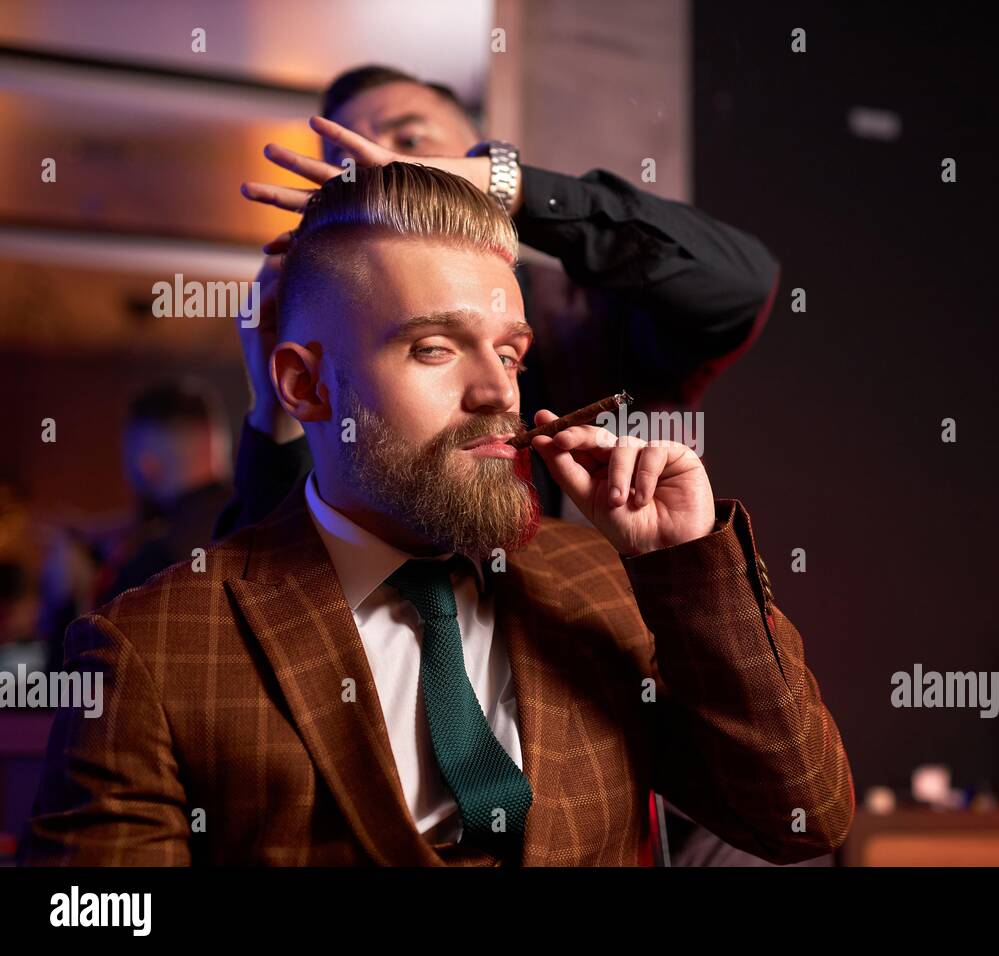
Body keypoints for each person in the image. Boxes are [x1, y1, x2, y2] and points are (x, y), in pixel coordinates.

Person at [21, 164, 852, 866]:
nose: (498, 391)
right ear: (306, 385)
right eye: (434, 349)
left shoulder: (603, 580)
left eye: (511, 352)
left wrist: (685, 565)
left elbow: (800, 815)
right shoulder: (149, 648)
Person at [217, 64, 779, 535]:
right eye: (343, 163)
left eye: (410, 141)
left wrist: (502, 183)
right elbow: (259, 591)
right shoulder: (330, 343)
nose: (372, 166)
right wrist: (278, 417)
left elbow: (738, 285)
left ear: (472, 156)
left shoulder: (579, 313)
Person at [96, 382, 233, 605]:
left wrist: (68, 595)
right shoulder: (256, 521)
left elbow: (97, 637)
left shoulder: (155, 561)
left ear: (146, 462)